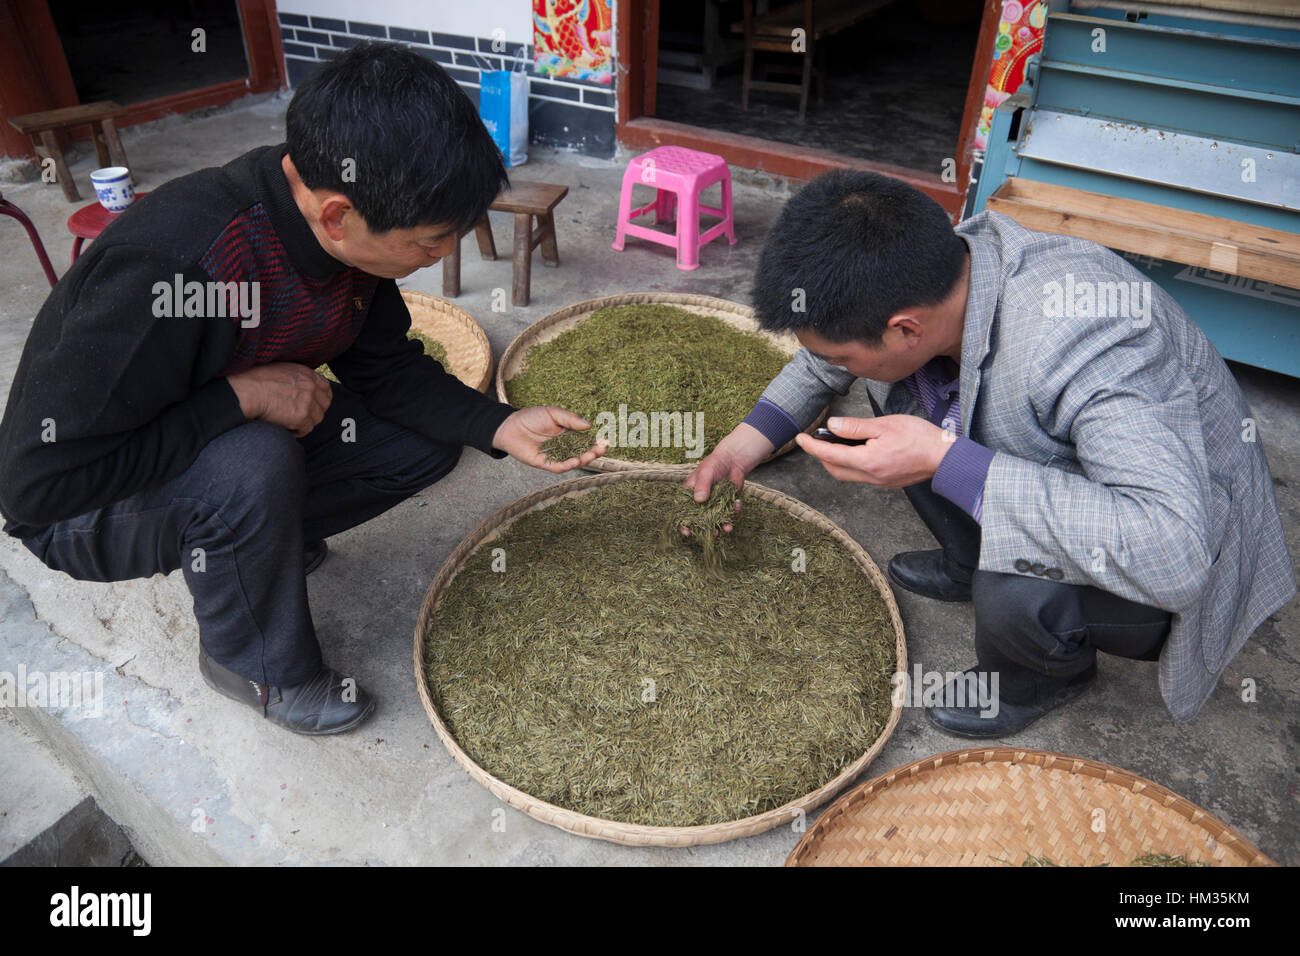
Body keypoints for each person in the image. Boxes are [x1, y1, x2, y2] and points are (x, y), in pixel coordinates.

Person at [0, 42, 605, 736]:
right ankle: (252, 664)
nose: (436, 259)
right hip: (83, 506)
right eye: (430, 243)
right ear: (338, 214)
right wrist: (238, 399)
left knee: (424, 443)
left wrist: (499, 424)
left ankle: (257, 544)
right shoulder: (175, 267)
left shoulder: (350, 231)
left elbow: (386, 368)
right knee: (253, 463)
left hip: (191, 439)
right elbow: (35, 488)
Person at [686, 169, 1295, 737]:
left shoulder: (1086, 337)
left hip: (1179, 551)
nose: (835, 368)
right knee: (905, 418)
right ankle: (966, 562)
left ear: (905, 329)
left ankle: (1037, 677)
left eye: (845, 357)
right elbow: (820, 358)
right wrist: (741, 448)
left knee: (1015, 583)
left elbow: (1173, 550)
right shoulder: (944, 266)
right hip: (1062, 476)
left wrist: (947, 461)